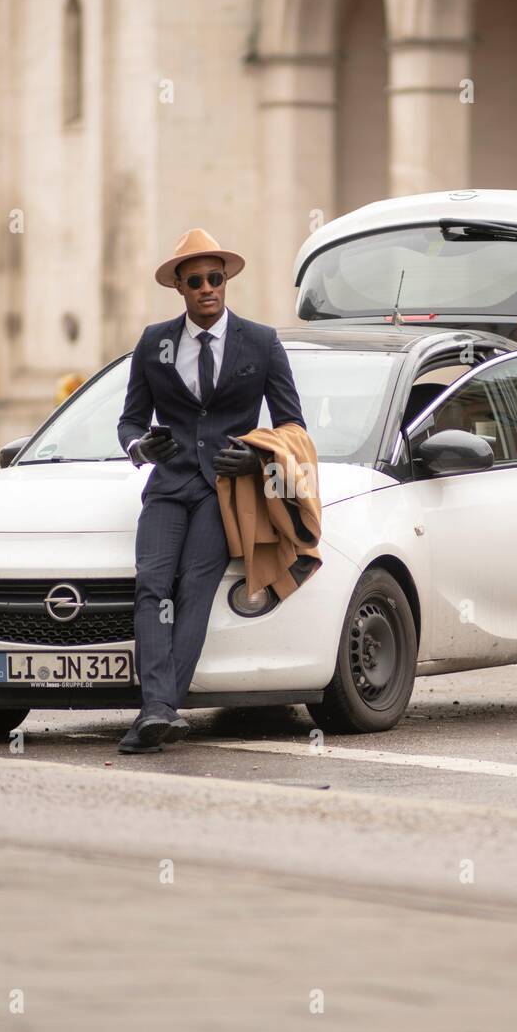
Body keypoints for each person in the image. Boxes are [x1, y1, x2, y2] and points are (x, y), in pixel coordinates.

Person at [116, 228, 305, 754]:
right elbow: (130, 421)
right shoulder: (153, 343)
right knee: (151, 586)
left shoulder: (261, 342)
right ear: (179, 287)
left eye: (215, 278)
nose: (207, 288)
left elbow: (292, 424)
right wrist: (140, 448)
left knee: (194, 589)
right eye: (195, 280)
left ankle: (157, 709)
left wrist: (257, 457)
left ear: (225, 282)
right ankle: (160, 710)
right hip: (168, 484)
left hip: (225, 489)